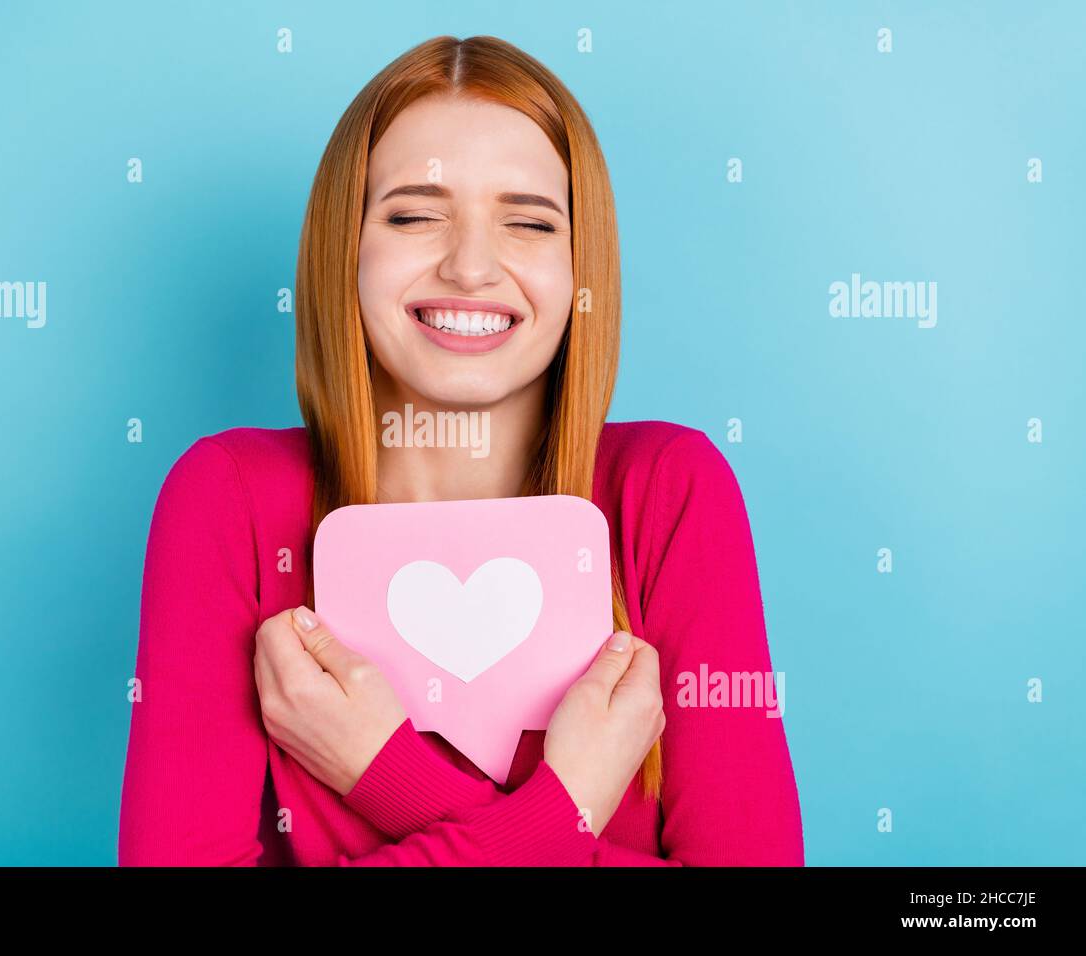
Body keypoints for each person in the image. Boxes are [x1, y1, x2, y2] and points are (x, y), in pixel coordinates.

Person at [118, 34, 804, 866]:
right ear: (347, 251)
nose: (472, 266)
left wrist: (384, 773)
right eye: (413, 214)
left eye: (528, 221)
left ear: (581, 265)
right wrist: (568, 809)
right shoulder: (228, 500)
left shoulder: (668, 491)